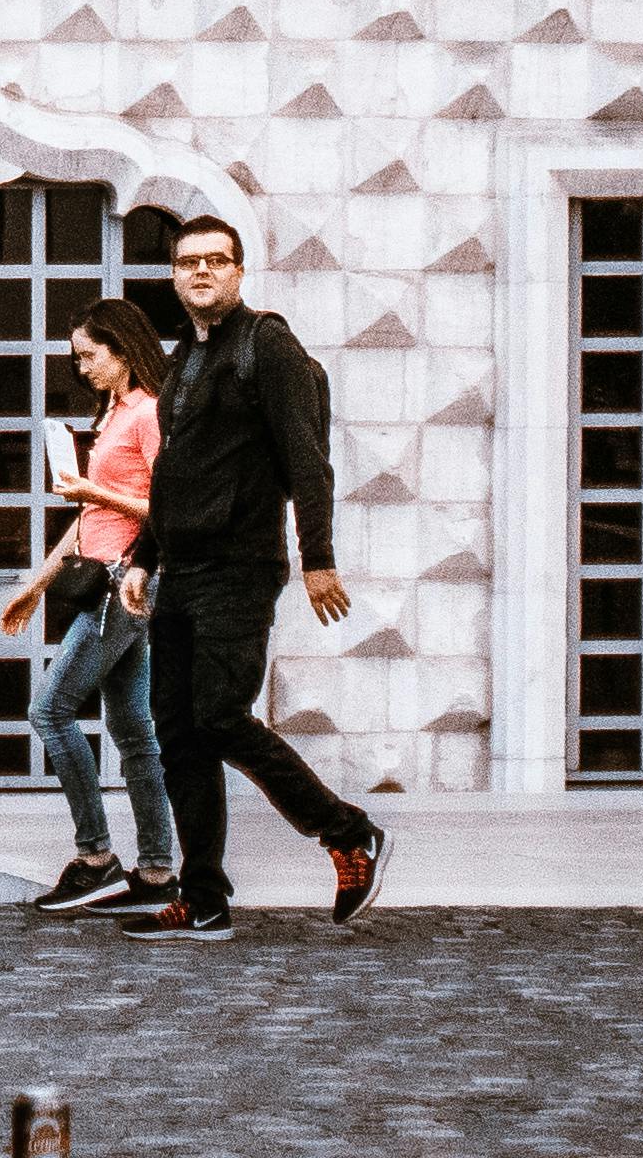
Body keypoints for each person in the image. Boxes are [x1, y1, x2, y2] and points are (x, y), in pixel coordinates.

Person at [114, 214, 389, 938]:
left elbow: (307, 458)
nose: (200, 272)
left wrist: (318, 556)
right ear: (174, 278)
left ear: (238, 272)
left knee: (219, 716)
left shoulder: (266, 344)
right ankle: (204, 898)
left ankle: (346, 830)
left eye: (215, 261)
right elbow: (174, 476)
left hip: (241, 566)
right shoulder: (185, 358)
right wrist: (145, 557)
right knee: (177, 730)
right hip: (185, 570)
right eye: (187, 263)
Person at [0, 299, 172, 917]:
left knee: (49, 711)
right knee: (132, 732)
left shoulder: (148, 412)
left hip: (127, 583)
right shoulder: (114, 411)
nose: (82, 366)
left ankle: (97, 859)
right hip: (104, 582)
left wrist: (93, 489)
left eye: (90, 355)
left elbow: (170, 511)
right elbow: (88, 519)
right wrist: (34, 585)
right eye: (78, 356)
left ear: (122, 350)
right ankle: (155, 872)